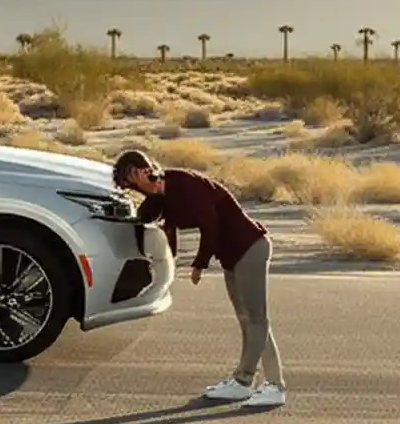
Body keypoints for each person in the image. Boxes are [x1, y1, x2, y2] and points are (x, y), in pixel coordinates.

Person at [112, 149, 287, 408]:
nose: (133, 189)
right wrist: (168, 266)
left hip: (250, 248)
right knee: (248, 320)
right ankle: (255, 384)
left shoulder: (183, 182)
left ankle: (257, 383)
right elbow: (168, 231)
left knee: (256, 319)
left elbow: (210, 224)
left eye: (130, 183)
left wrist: (199, 265)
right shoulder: (161, 196)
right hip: (233, 257)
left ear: (138, 172)